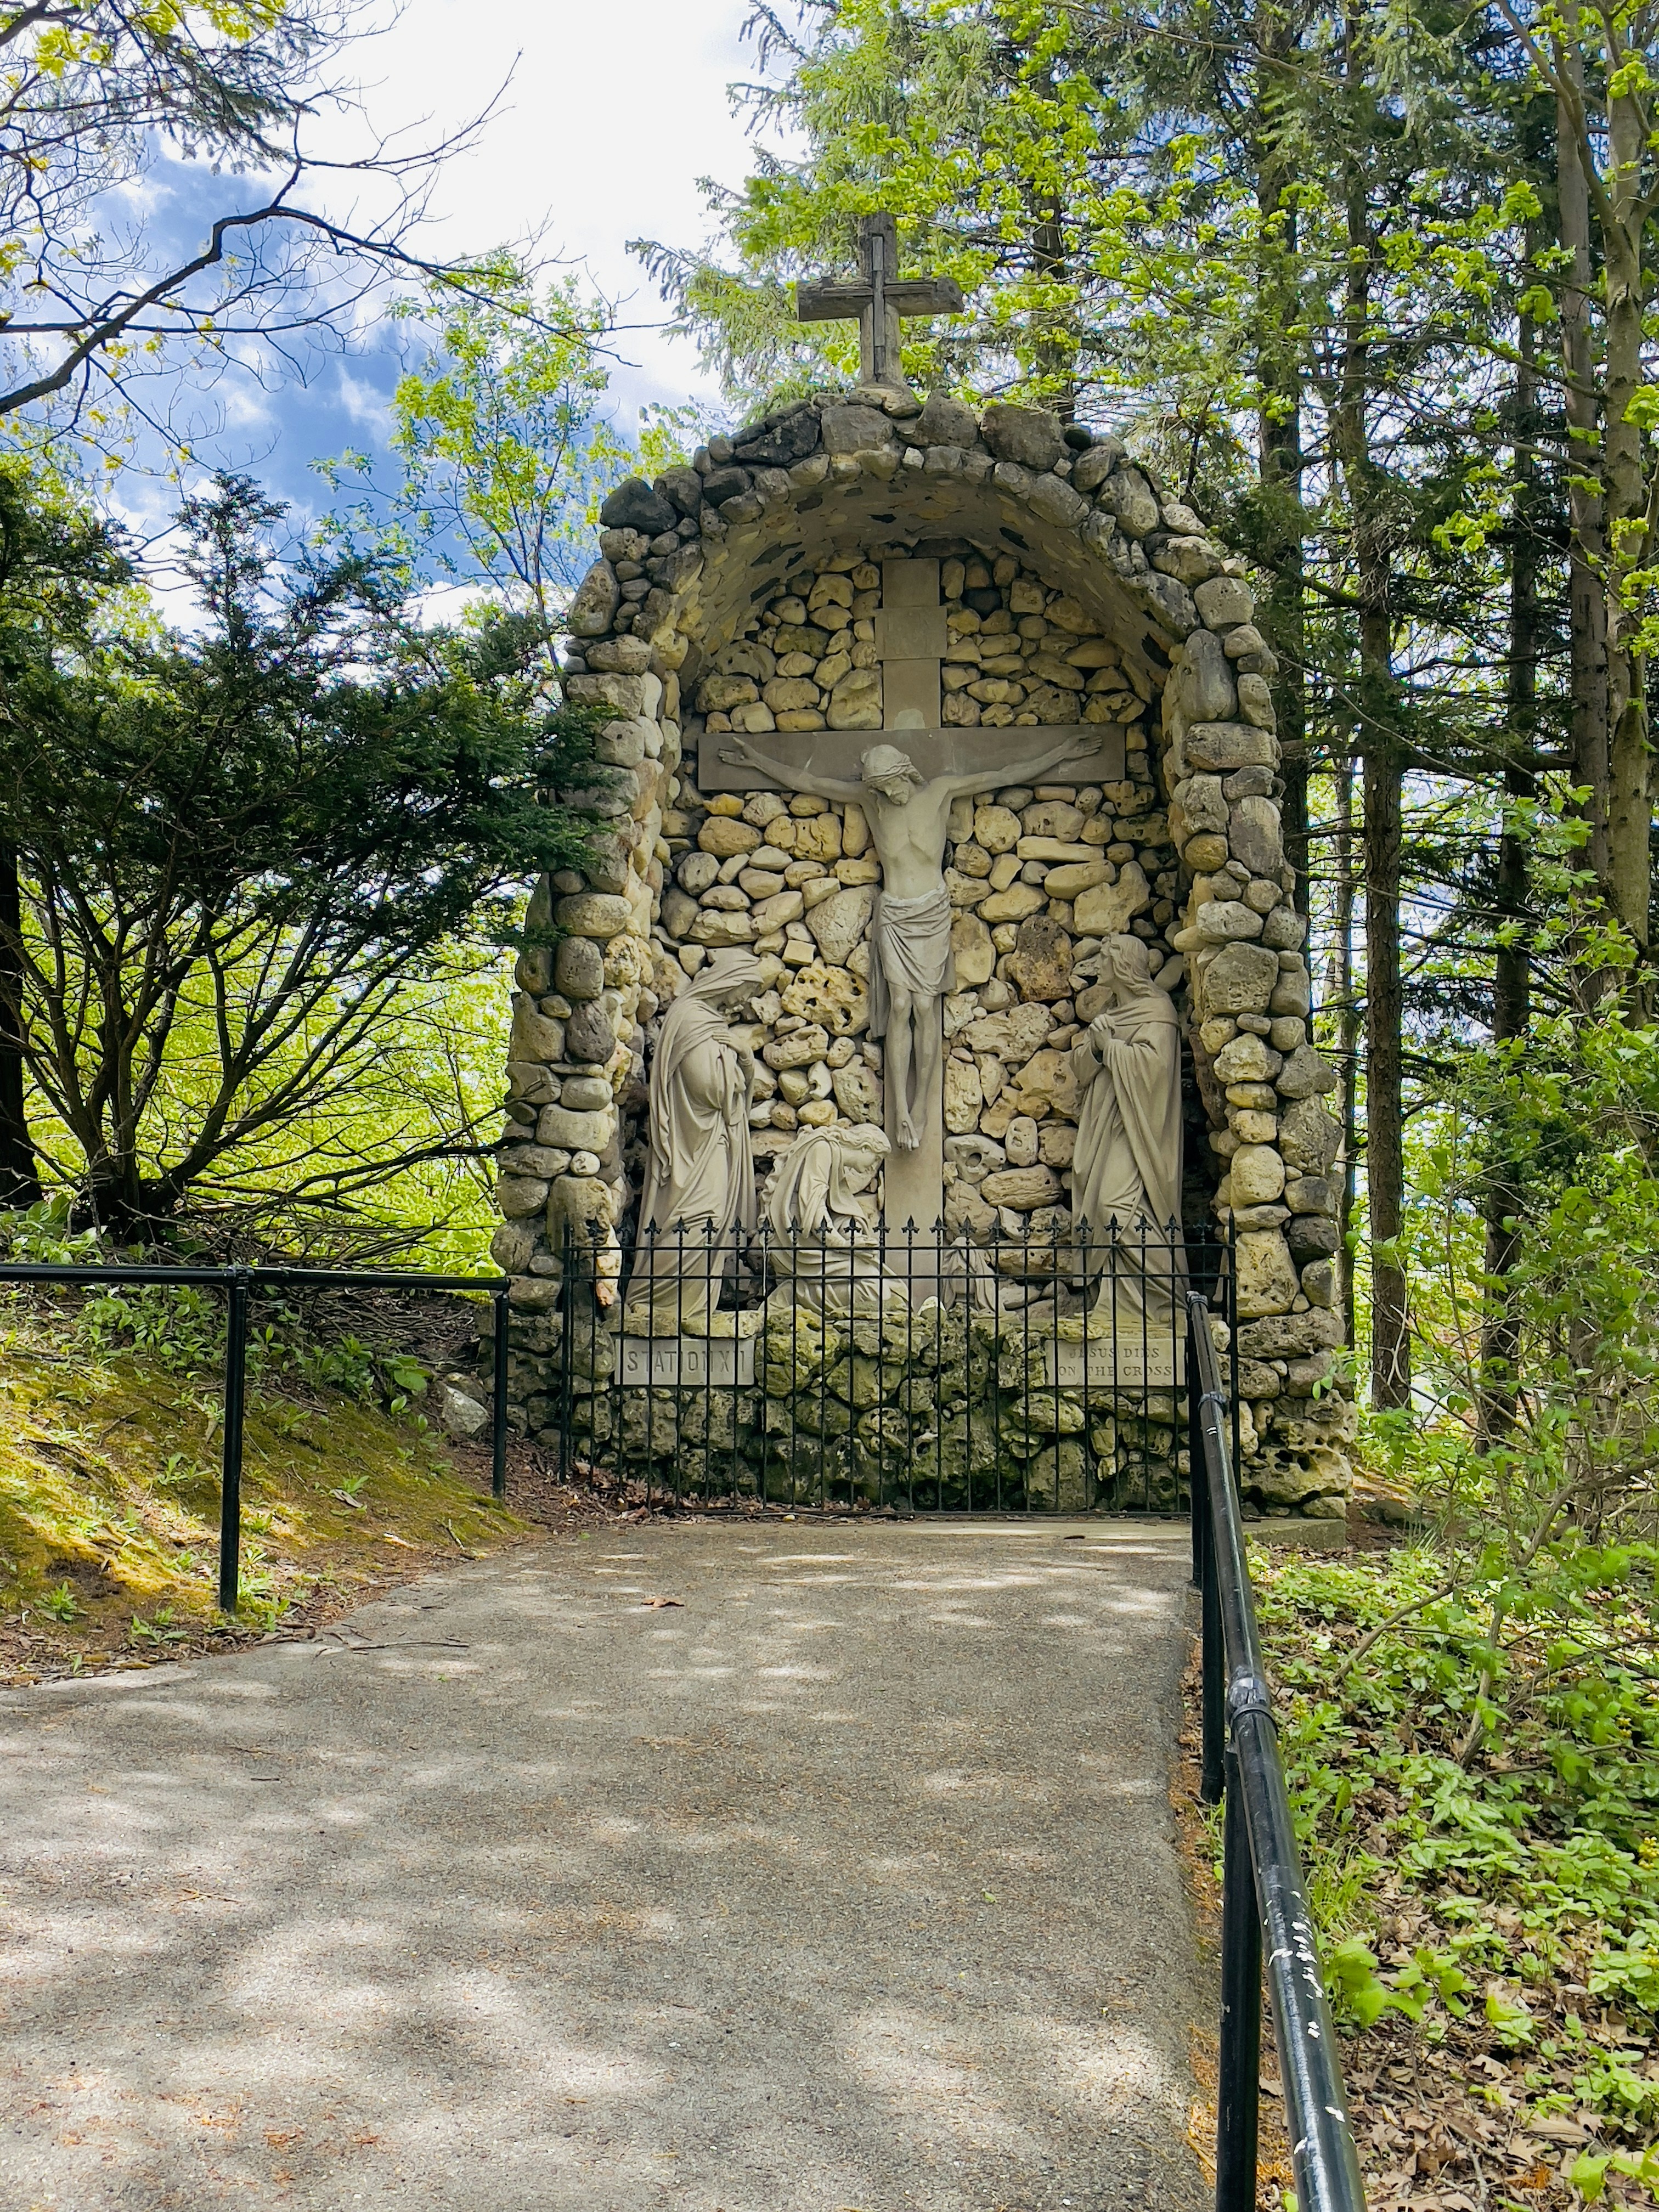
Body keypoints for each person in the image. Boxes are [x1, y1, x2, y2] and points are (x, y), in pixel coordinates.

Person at [720, 730, 1103, 1151]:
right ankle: (899, 1108)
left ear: (906, 772)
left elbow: (1005, 774)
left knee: (925, 1006)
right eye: (882, 789)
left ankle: (921, 1106)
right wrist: (756, 760)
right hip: (896, 913)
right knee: (900, 1004)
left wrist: (1061, 750)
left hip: (931, 912)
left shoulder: (940, 791)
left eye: (892, 785)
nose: (890, 794)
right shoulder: (872, 802)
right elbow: (811, 782)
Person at [625, 949, 764, 1334]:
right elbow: (708, 1089)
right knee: (695, 1220)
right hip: (694, 1143)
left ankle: (694, 1307)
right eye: (745, 991)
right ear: (729, 982)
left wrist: (745, 1060)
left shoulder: (708, 1022)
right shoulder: (692, 1019)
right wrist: (738, 1067)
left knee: (708, 1223)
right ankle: (654, 1299)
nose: (744, 1002)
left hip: (711, 1139)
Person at [1070, 935, 1186, 1330]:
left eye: (1105, 957)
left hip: (1139, 1128)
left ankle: (1169, 1296)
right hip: (1106, 1124)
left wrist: (1111, 1047)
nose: (1098, 964)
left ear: (1122, 964)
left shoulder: (1158, 1010)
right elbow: (1081, 1068)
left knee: (1113, 1208)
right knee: (1108, 1213)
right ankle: (1115, 1305)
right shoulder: (1112, 1011)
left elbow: (1157, 1071)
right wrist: (1097, 1047)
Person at [761, 1120, 896, 1315]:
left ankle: (802, 1293)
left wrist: (853, 1236)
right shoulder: (822, 1148)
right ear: (865, 1147)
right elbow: (813, 1206)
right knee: (876, 1288)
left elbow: (838, 1210)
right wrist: (842, 1244)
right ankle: (793, 1294)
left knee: (889, 1286)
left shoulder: (833, 1158)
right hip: (799, 1244)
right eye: (876, 1159)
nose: (874, 1167)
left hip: (815, 1242)